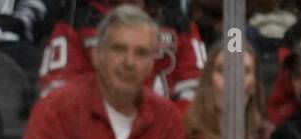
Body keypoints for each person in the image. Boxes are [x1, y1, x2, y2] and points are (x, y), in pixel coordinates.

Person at [7, 4, 192, 139]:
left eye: (141, 53)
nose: (129, 62)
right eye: (119, 49)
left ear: (151, 65)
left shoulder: (167, 118)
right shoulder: (58, 108)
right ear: (97, 56)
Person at [38, 0, 205, 107]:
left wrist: (166, 133)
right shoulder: (76, 19)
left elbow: (198, 95)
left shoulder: (177, 21)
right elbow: (56, 95)